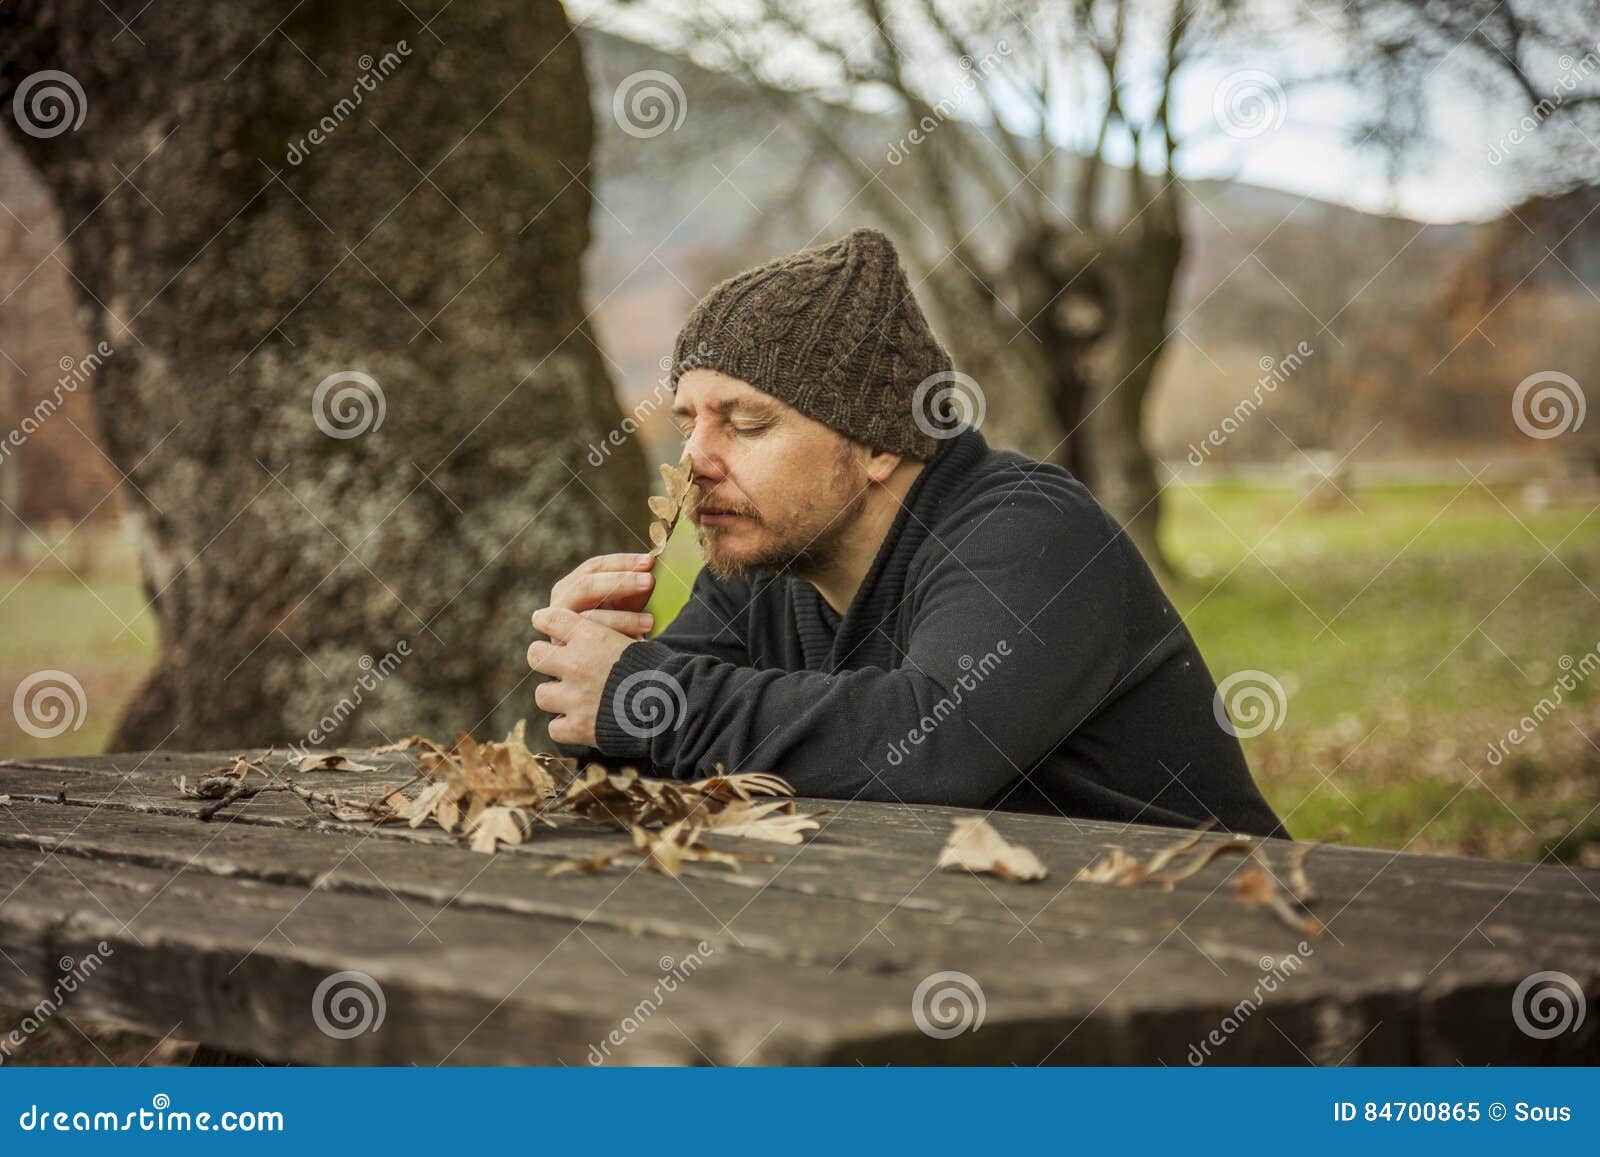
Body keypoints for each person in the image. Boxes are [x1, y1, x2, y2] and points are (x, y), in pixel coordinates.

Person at [527, 226, 1286, 838]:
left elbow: (931, 747)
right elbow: (671, 740)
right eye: (690, 424)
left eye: (746, 422)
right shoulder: (770, 565)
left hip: (1211, 951)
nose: (692, 461)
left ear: (879, 444)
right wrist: (594, 690)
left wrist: (642, 694)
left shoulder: (1033, 531)